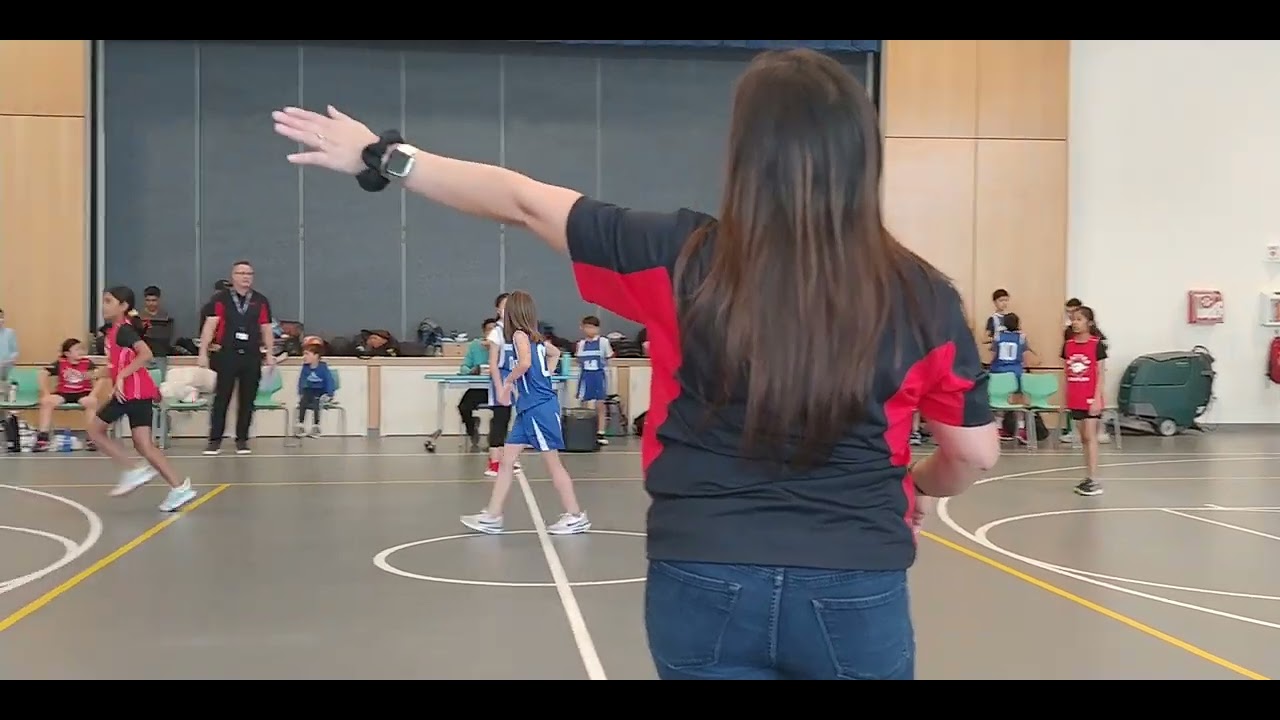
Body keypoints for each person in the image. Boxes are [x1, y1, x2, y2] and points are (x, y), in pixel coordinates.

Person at [271, 48, 1000, 680]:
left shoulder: (679, 258)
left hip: (703, 571)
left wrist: (384, 155)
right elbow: (973, 454)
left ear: (745, 154)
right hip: (855, 580)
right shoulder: (923, 297)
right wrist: (918, 483)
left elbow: (523, 202)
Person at [459, 290, 590, 536]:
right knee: (507, 461)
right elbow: (556, 354)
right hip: (528, 408)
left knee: (553, 463)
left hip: (538, 407)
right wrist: (546, 375)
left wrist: (508, 381)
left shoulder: (520, 335)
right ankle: (493, 516)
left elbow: (526, 363)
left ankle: (575, 515)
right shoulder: (536, 337)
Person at [86, 286, 195, 512]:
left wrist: (123, 376)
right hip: (140, 391)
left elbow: (146, 354)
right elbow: (117, 365)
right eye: (103, 301)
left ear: (123, 306)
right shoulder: (114, 331)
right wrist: (98, 374)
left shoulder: (124, 330)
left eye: (109, 301)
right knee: (143, 444)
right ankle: (179, 487)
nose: (104, 305)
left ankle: (131, 469)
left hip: (131, 391)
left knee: (95, 430)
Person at [198, 260, 276, 455]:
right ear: (233, 276)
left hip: (251, 354)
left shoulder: (260, 300)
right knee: (221, 398)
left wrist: (270, 353)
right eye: (241, 273)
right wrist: (203, 353)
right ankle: (214, 440)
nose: (245, 277)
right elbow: (210, 326)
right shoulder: (220, 299)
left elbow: (266, 328)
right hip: (226, 354)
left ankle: (242, 439)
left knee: (247, 399)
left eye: (249, 273)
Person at [1062, 306, 1108, 497]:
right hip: (1075, 397)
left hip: (1091, 398)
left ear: (1089, 322)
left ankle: (1093, 478)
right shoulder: (1068, 345)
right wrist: (1065, 399)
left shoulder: (1097, 345)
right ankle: (1087, 477)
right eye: (1073, 319)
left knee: (1090, 437)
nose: (1075, 322)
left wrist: (1097, 398)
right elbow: (1066, 373)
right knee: (1083, 438)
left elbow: (1100, 373)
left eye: (1079, 319)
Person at [33, 338, 100, 452]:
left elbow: (100, 378)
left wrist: (93, 394)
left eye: (81, 349)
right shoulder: (60, 363)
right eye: (77, 349)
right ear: (67, 353)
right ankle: (42, 438)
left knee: (91, 402)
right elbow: (42, 374)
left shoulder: (88, 363)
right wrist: (46, 393)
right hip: (64, 393)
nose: (80, 352)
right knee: (46, 402)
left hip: (83, 393)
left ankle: (92, 438)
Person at [483, 293, 517, 477]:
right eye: (505, 306)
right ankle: (494, 461)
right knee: (500, 420)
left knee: (511, 419)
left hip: (516, 381)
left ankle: (507, 458)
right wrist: (499, 387)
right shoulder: (496, 332)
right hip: (501, 380)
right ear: (498, 310)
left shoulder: (519, 332)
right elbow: (494, 363)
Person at [457, 317, 498, 450]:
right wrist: (471, 371)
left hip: (497, 388)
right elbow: (464, 367)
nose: (491, 333)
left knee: (502, 409)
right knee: (463, 406)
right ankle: (472, 429)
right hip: (479, 388)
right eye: (489, 330)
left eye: (495, 330)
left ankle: (495, 435)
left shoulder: (504, 347)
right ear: (484, 332)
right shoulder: (475, 346)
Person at [575, 315, 613, 445]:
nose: (589, 330)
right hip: (586, 376)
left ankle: (600, 432)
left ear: (598, 329)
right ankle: (583, 429)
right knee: (583, 403)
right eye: (587, 327)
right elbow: (579, 360)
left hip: (599, 376)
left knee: (600, 405)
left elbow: (608, 359)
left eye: (592, 327)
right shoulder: (581, 344)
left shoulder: (603, 342)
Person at [294, 342, 336, 438]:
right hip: (309, 390)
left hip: (320, 391)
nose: (304, 356)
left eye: (307, 354)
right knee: (303, 401)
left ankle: (316, 426)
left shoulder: (323, 367)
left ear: (316, 356)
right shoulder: (305, 368)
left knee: (316, 401)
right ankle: (300, 424)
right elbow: (301, 380)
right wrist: (300, 391)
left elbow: (329, 380)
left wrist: (330, 394)